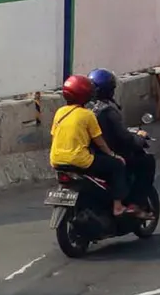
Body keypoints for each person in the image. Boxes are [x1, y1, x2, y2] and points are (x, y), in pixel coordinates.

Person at [50, 74, 138, 215]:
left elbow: (54, 135)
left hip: (56, 159)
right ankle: (118, 206)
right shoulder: (87, 115)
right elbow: (100, 142)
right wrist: (113, 155)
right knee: (117, 166)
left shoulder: (60, 112)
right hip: (79, 160)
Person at [85, 69, 154, 205]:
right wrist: (140, 140)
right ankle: (134, 202)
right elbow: (124, 138)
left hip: (86, 153)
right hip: (104, 153)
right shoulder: (107, 111)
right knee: (145, 161)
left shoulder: (82, 108)